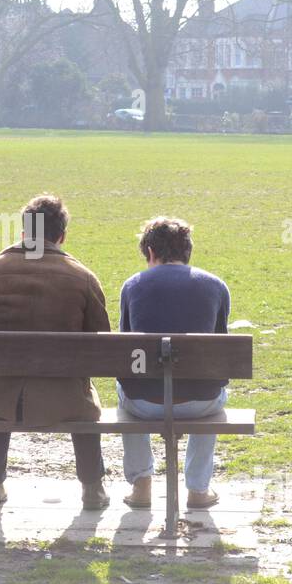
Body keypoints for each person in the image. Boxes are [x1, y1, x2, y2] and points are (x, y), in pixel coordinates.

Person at [0, 194, 112, 510]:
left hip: (1, 399)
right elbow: (101, 345)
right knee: (89, 404)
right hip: (66, 400)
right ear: (61, 236)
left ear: (24, 234)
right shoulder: (82, 277)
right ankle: (92, 489)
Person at [116, 217, 231, 509]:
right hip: (200, 402)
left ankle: (142, 485)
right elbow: (221, 360)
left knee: (126, 392)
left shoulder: (133, 286)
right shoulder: (216, 286)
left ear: (151, 252)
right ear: (187, 251)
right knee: (210, 390)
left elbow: (126, 356)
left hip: (145, 403)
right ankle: (198, 490)